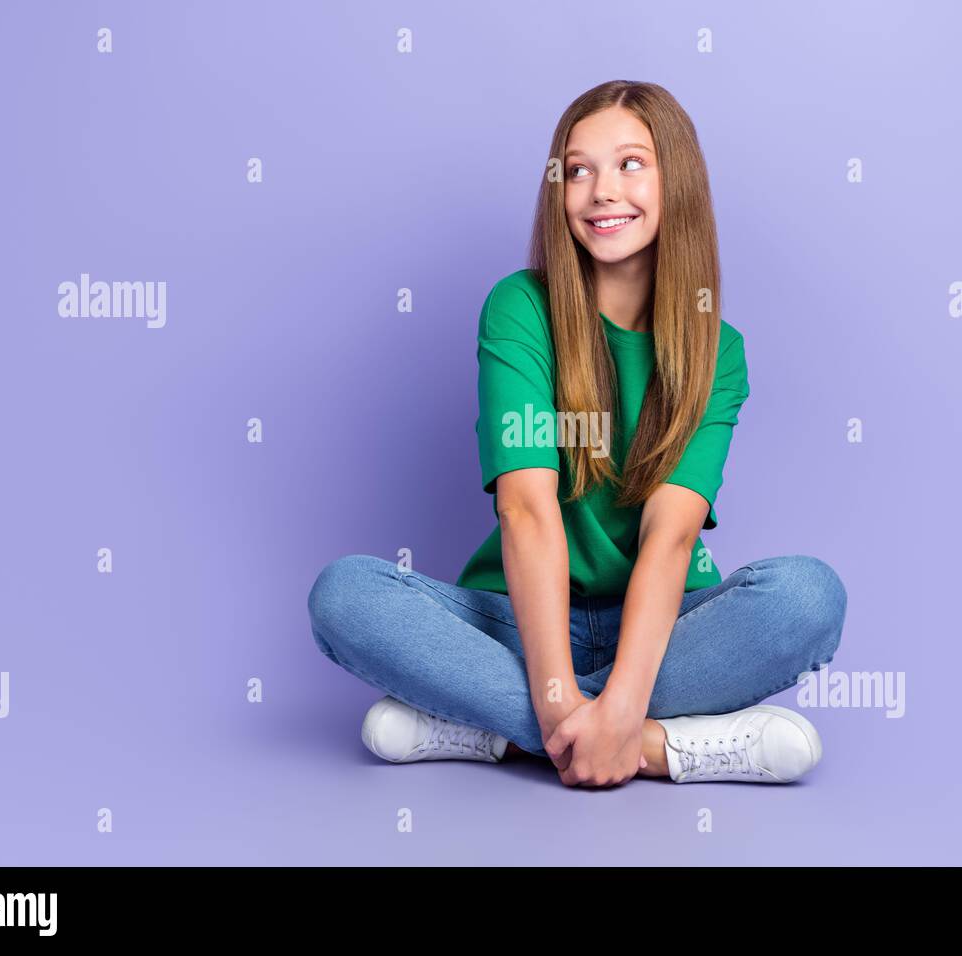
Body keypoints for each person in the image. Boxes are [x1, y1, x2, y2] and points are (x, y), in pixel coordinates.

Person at [308, 80, 847, 788]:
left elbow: (670, 535)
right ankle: (663, 747)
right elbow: (524, 508)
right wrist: (565, 697)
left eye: (630, 163)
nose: (601, 190)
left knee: (809, 597)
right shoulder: (520, 306)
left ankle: (497, 730)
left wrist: (622, 700)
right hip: (520, 619)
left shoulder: (720, 350)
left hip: (660, 627)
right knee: (345, 596)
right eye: (578, 168)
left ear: (674, 180)